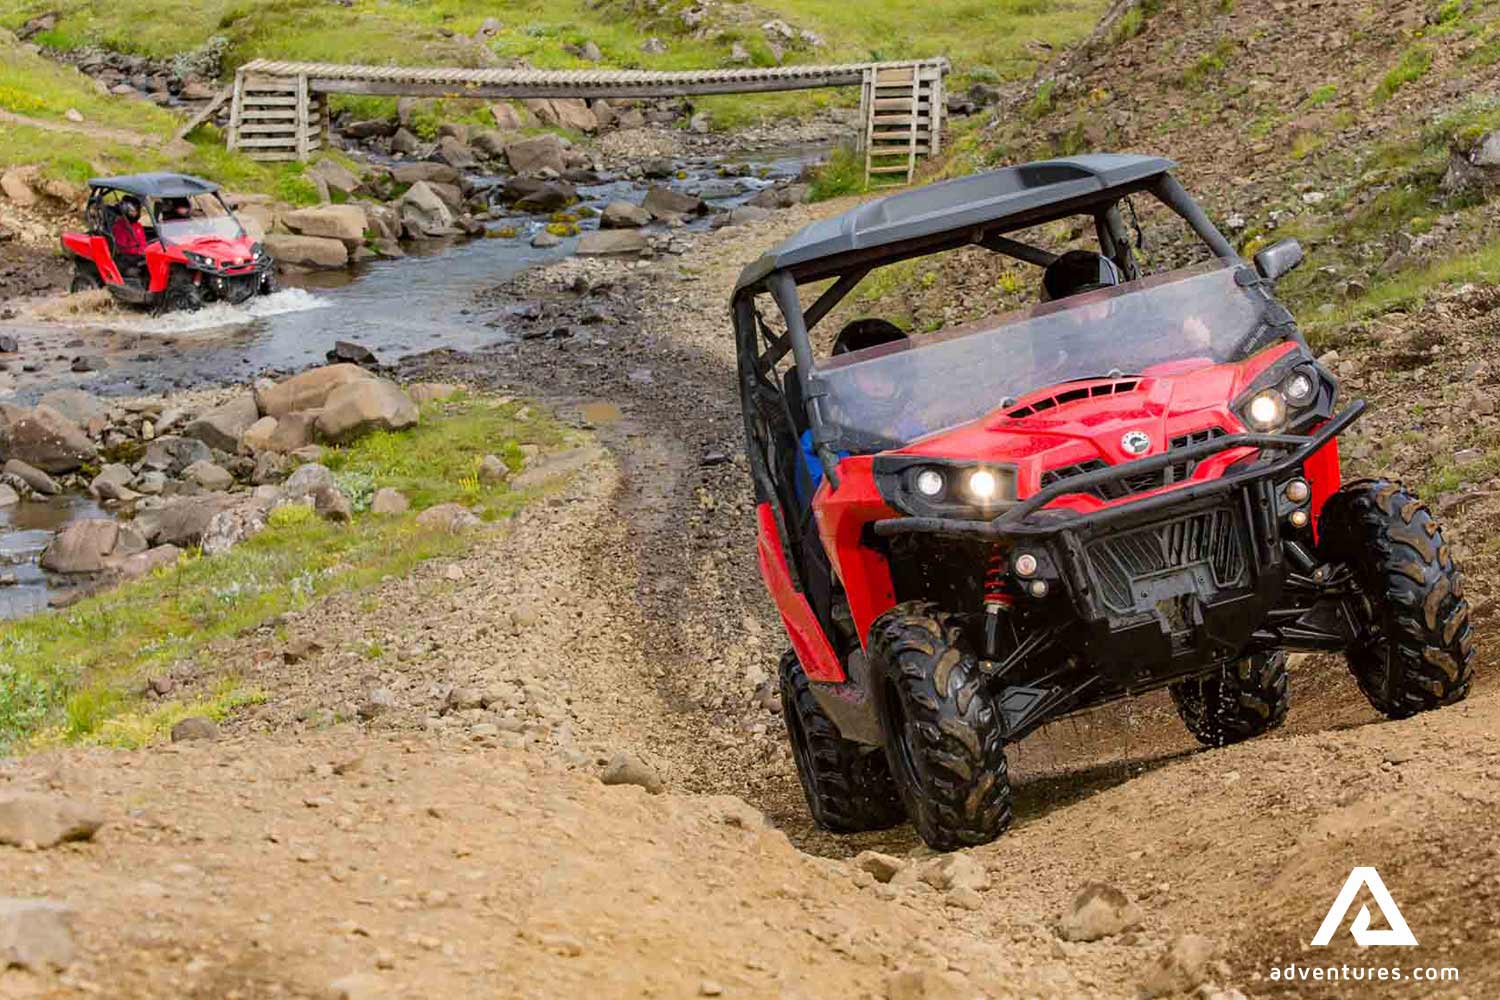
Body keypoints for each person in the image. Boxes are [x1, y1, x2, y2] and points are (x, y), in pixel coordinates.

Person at [110, 196, 148, 284]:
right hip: (127, 259)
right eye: (133, 211)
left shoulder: (138, 226)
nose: (136, 213)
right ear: (126, 211)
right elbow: (122, 248)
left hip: (141, 256)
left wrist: (145, 251)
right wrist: (139, 252)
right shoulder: (119, 227)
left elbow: (143, 242)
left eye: (137, 211)